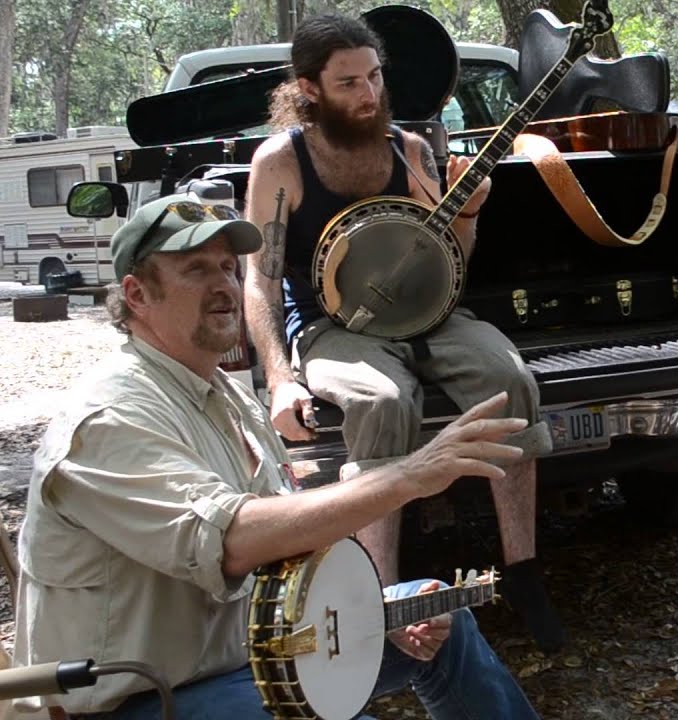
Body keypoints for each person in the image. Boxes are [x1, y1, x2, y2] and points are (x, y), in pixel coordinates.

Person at [12, 196, 542, 719]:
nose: (223, 284)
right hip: (135, 700)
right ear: (136, 294)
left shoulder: (230, 398)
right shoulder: (110, 417)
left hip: (251, 658)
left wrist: (368, 607)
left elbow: (290, 544)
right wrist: (410, 474)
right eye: (195, 269)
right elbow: (232, 541)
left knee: (442, 620)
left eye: (227, 267)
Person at [241, 14, 563, 651]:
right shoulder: (282, 163)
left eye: (375, 76)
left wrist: (466, 215)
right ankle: (379, 595)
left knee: (509, 380)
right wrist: (279, 378)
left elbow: (445, 258)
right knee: (383, 402)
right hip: (337, 327)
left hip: (430, 316)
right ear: (309, 89)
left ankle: (523, 570)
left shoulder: (408, 153)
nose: (368, 94)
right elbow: (260, 279)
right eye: (348, 83)